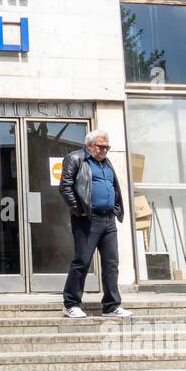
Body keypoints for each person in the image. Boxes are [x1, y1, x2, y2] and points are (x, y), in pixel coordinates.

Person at [57, 129, 131, 319]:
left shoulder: (107, 163)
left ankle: (111, 305)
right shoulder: (75, 159)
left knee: (111, 263)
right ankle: (71, 303)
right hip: (87, 219)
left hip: (108, 220)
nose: (105, 150)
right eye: (101, 147)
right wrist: (79, 209)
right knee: (82, 261)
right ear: (90, 146)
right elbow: (65, 187)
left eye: (107, 147)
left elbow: (113, 186)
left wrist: (115, 207)